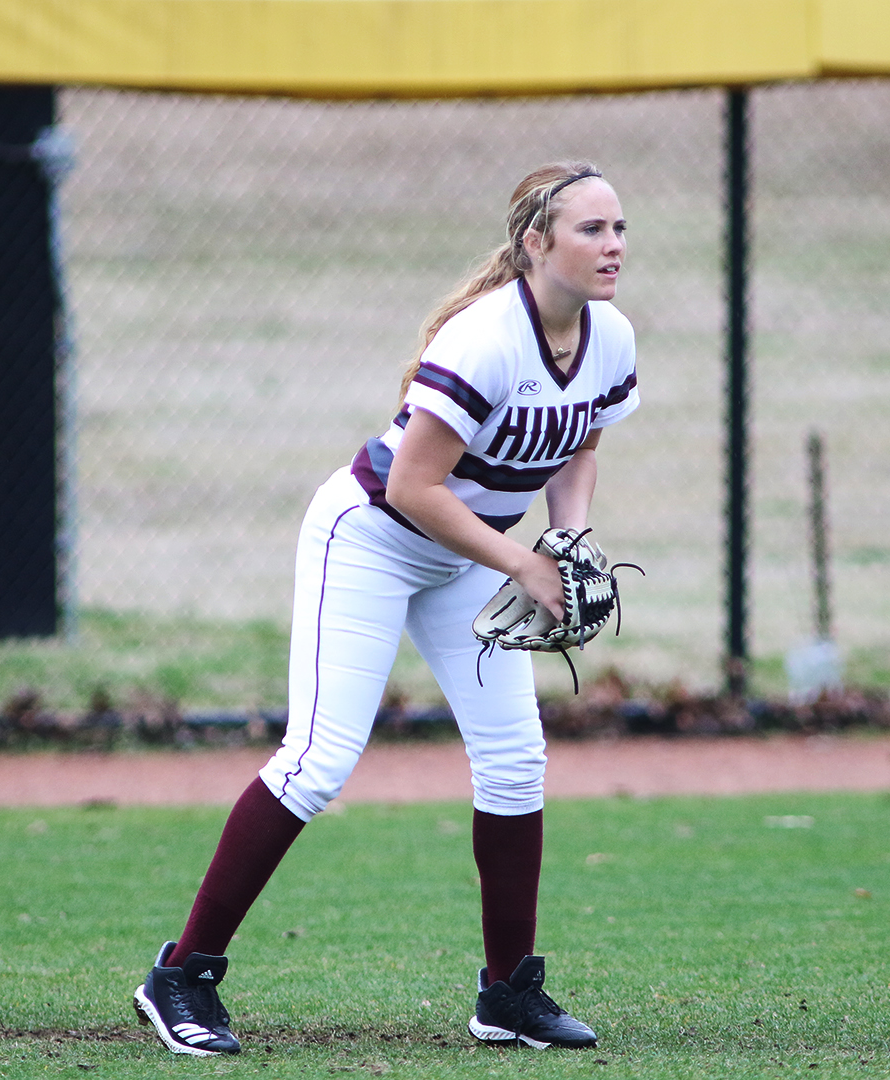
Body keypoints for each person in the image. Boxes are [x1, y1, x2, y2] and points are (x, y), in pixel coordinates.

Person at [132, 160, 639, 1056]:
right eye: (591, 230)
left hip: (462, 556)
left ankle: (508, 994)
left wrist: (570, 539)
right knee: (320, 759)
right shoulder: (484, 339)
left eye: (619, 229)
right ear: (535, 243)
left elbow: (579, 444)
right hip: (371, 537)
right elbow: (412, 484)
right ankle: (180, 973)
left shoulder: (610, 339)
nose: (613, 246)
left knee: (517, 761)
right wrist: (522, 562)